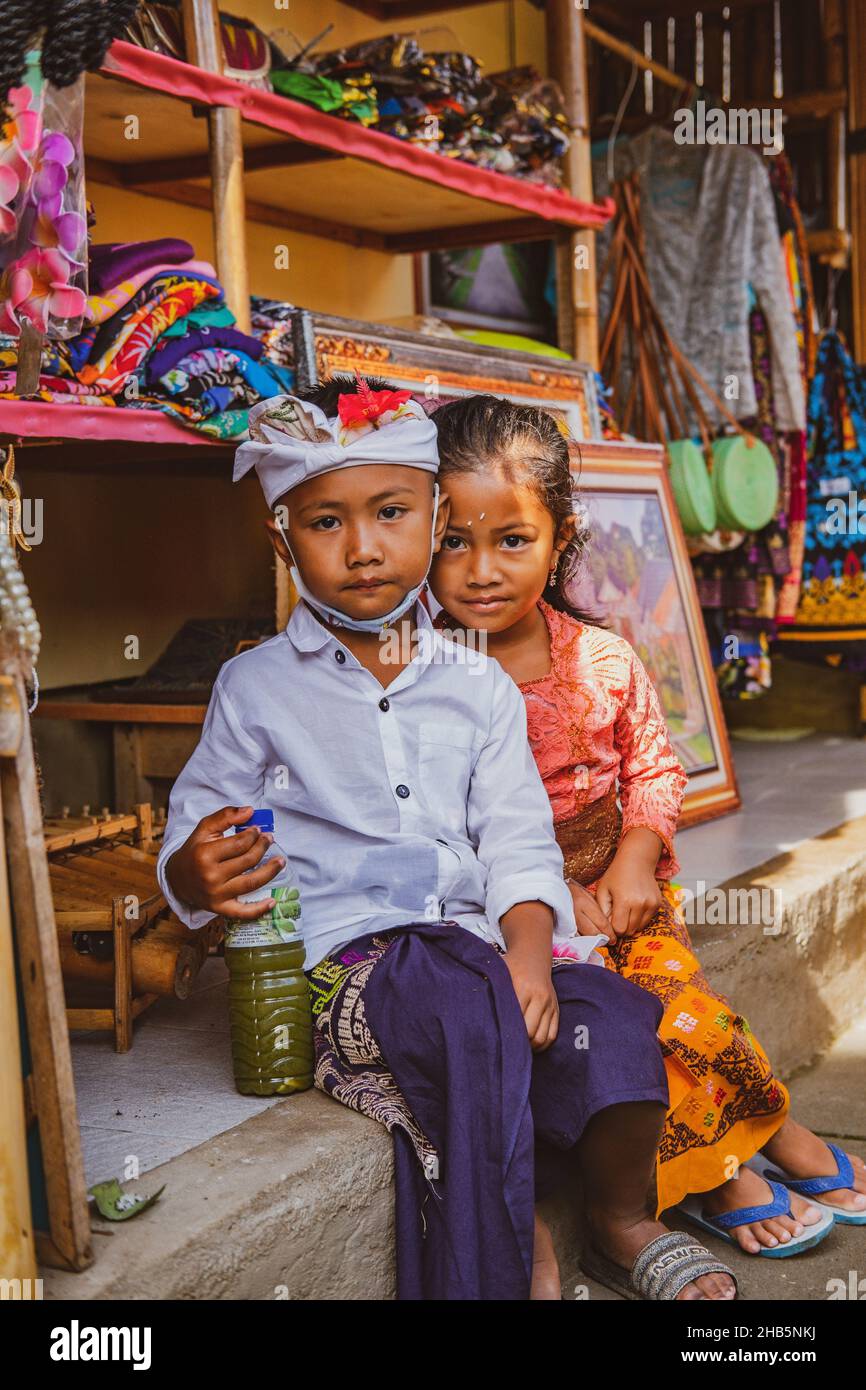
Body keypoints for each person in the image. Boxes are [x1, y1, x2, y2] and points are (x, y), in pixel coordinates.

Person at [155, 375, 739, 1301]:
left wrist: (533, 954)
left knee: (619, 1024)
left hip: (474, 948)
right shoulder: (256, 688)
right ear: (281, 537)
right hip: (342, 962)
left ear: (431, 516)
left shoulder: (478, 691)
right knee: (464, 1013)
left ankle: (623, 1219)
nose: (362, 548)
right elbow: (197, 826)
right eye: (325, 523)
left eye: (390, 513)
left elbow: (516, 840)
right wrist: (193, 866)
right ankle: (511, 1262)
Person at [428, 392, 866, 1263]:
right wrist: (547, 904)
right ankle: (715, 1169)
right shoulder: (423, 677)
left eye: (511, 540)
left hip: (626, 901)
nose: (482, 569)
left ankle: (768, 1130)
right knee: (631, 1029)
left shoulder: (604, 660)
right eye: (452, 542)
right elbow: (433, 825)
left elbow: (658, 773)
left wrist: (633, 864)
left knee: (688, 1008)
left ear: (560, 539)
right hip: (517, 923)